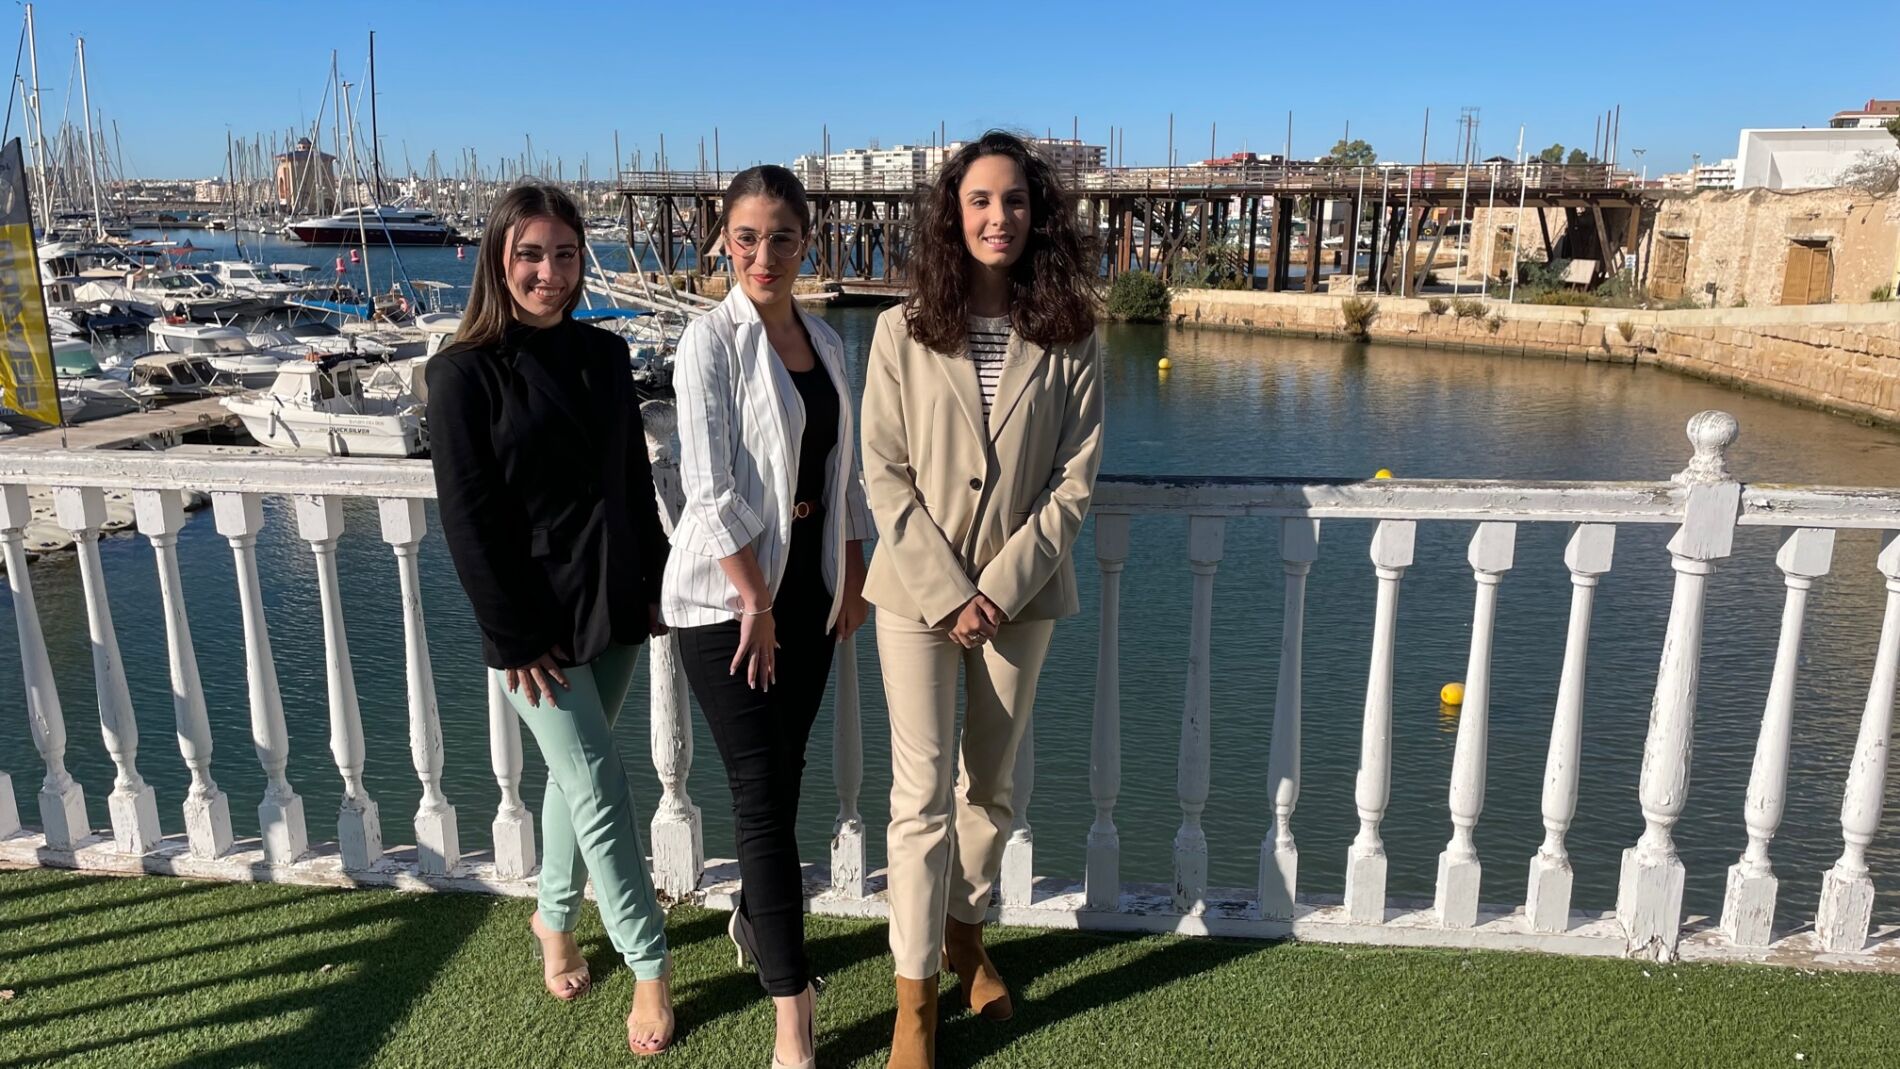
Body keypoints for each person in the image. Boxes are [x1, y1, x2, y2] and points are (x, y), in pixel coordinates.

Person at [860, 131, 1105, 1069]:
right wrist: (949, 590)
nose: (997, 217)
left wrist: (995, 592)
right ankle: (914, 1003)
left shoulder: (1072, 332)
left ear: (1036, 213)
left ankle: (965, 931)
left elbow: (1073, 485)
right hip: (917, 597)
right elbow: (884, 476)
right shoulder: (902, 328)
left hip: (1020, 600)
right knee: (918, 795)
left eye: (1012, 201)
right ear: (951, 215)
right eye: (978, 202)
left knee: (992, 788)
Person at [425, 183, 676, 1056]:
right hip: (535, 625)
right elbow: (466, 518)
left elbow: (631, 483)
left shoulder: (605, 356)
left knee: (581, 775)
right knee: (603, 789)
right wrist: (514, 636)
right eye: (530, 255)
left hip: (615, 598)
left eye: (565, 255)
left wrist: (654, 583)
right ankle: (650, 966)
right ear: (500, 259)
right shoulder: (460, 373)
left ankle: (554, 920)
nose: (549, 272)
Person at [664, 164, 874, 1069]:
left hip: (809, 589)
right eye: (745, 237)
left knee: (784, 780)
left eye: (781, 237)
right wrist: (753, 599)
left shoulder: (827, 341)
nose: (763, 254)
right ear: (722, 239)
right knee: (761, 799)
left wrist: (852, 572)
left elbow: (843, 474)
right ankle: (795, 1016)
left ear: (805, 243)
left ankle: (759, 920)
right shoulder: (707, 344)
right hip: (727, 601)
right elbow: (707, 492)